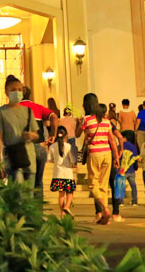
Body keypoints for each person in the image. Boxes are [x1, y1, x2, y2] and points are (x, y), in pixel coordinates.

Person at [77, 94, 118, 225]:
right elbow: (112, 139)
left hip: (94, 154)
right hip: (107, 153)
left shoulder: (86, 119)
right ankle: (105, 216)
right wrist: (116, 156)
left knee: (93, 183)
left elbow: (77, 134)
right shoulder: (106, 120)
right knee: (103, 185)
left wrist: (79, 123)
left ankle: (105, 209)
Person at [0, 75, 39, 187]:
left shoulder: (28, 111)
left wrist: (31, 135)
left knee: (29, 195)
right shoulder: (0, 113)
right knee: (18, 193)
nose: (17, 92)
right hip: (13, 157)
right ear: (6, 92)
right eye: (13, 90)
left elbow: (36, 134)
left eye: (19, 89)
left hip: (29, 157)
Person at [20, 86, 57, 198]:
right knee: (38, 182)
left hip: (24, 149)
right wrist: (53, 134)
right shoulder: (38, 107)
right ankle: (38, 211)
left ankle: (27, 210)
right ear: (30, 95)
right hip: (40, 147)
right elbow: (54, 117)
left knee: (25, 182)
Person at [50, 125, 78, 216]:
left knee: (61, 194)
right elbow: (72, 160)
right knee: (70, 192)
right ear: (66, 135)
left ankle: (62, 213)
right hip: (67, 173)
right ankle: (67, 207)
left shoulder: (52, 146)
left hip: (57, 173)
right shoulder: (68, 146)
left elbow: (49, 159)